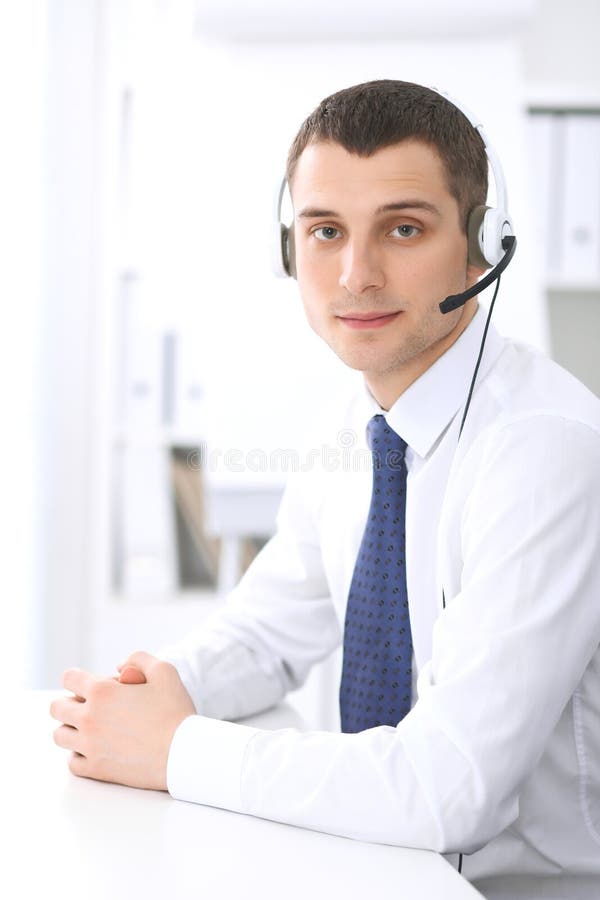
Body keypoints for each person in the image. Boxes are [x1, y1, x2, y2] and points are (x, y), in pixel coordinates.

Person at [50, 80, 600, 900]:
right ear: (291, 249)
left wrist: (174, 749)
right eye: (325, 231)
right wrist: (148, 694)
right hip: (381, 867)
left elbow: (449, 787)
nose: (356, 274)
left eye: (403, 228)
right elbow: (268, 630)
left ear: (482, 247)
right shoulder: (356, 422)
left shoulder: (544, 450)